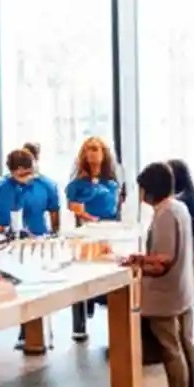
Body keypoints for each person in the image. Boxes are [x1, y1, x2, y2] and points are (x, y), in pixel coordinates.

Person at [125, 162, 194, 387]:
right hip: (183, 289)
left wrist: (139, 264)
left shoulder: (165, 214)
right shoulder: (180, 208)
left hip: (166, 293)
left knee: (171, 348)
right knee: (186, 344)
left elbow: (163, 260)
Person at [65, 136, 123, 342]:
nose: (92, 153)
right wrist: (91, 219)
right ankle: (79, 325)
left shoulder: (113, 183)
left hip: (111, 233)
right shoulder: (77, 185)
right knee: (80, 277)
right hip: (87, 234)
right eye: (88, 149)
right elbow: (75, 208)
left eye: (96, 149)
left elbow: (116, 208)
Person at [0, 148, 61, 239]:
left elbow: (54, 216)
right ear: (12, 172)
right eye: (21, 175)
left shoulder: (46, 185)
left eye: (29, 172)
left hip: (38, 239)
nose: (28, 177)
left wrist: (53, 235)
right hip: (4, 240)